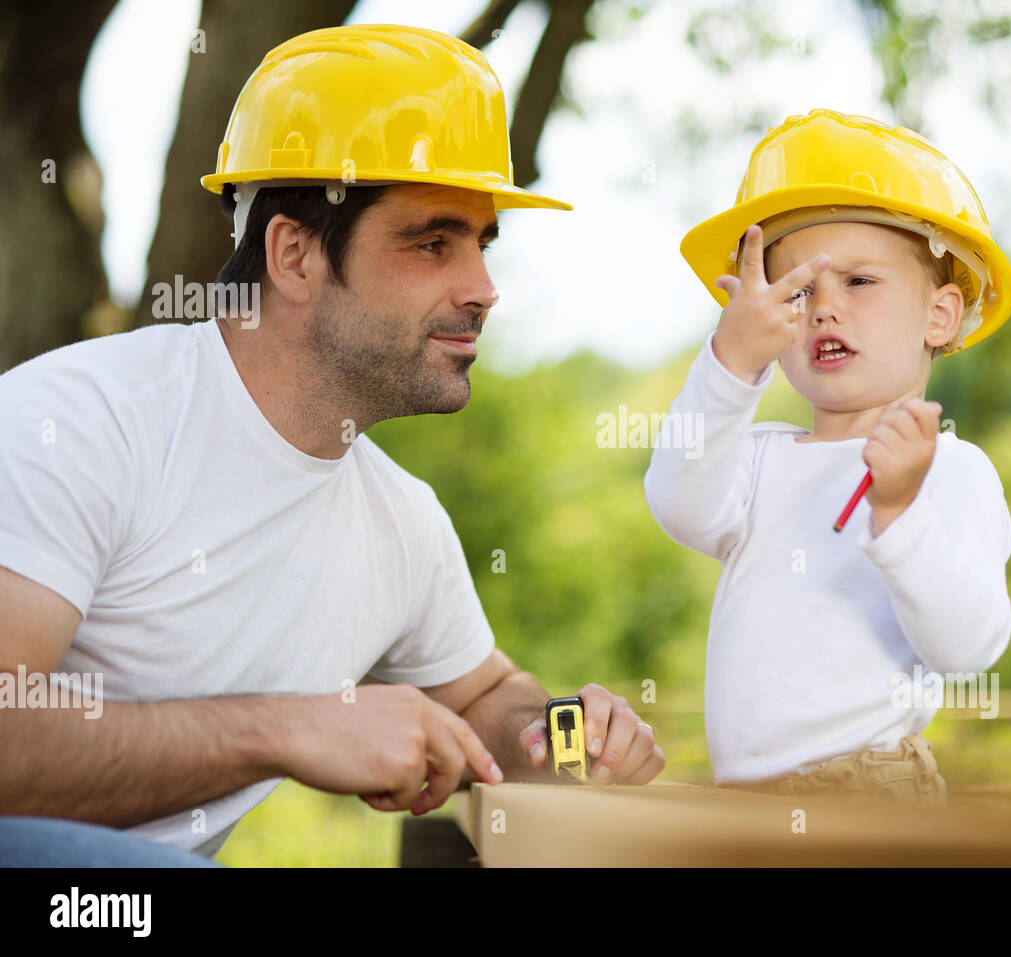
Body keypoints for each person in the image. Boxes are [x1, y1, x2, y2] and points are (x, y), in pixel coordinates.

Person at [0, 24, 663, 867]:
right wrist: (289, 729)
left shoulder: (398, 522)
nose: (485, 290)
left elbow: (489, 693)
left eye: (482, 245)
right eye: (433, 242)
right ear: (294, 255)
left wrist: (572, 742)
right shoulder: (79, 421)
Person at [644, 109, 1011, 804]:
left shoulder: (950, 471)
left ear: (939, 316)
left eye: (859, 282)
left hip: (868, 791)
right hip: (751, 802)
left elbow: (967, 648)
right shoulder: (755, 461)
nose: (823, 309)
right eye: (798, 291)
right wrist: (731, 360)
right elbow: (677, 501)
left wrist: (900, 513)